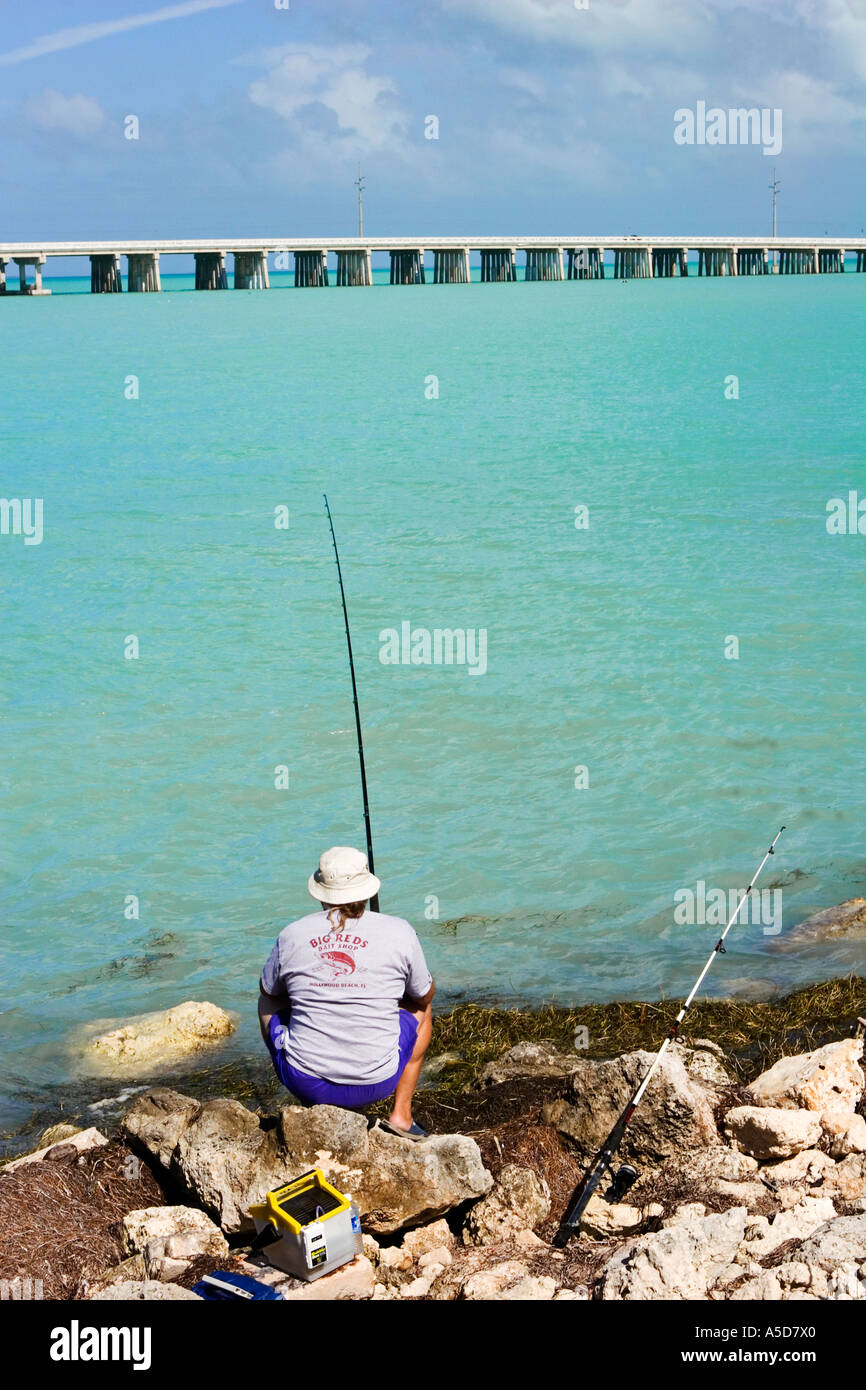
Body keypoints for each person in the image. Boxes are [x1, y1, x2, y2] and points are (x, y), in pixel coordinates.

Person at [258, 846, 435, 1140]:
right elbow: (424, 996)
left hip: (305, 1082)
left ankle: (313, 1109)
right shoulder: (400, 930)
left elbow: (268, 990)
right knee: (422, 1011)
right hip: (378, 1081)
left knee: (269, 1001)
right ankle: (402, 1115)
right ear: (366, 888)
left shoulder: (291, 933)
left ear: (320, 891)